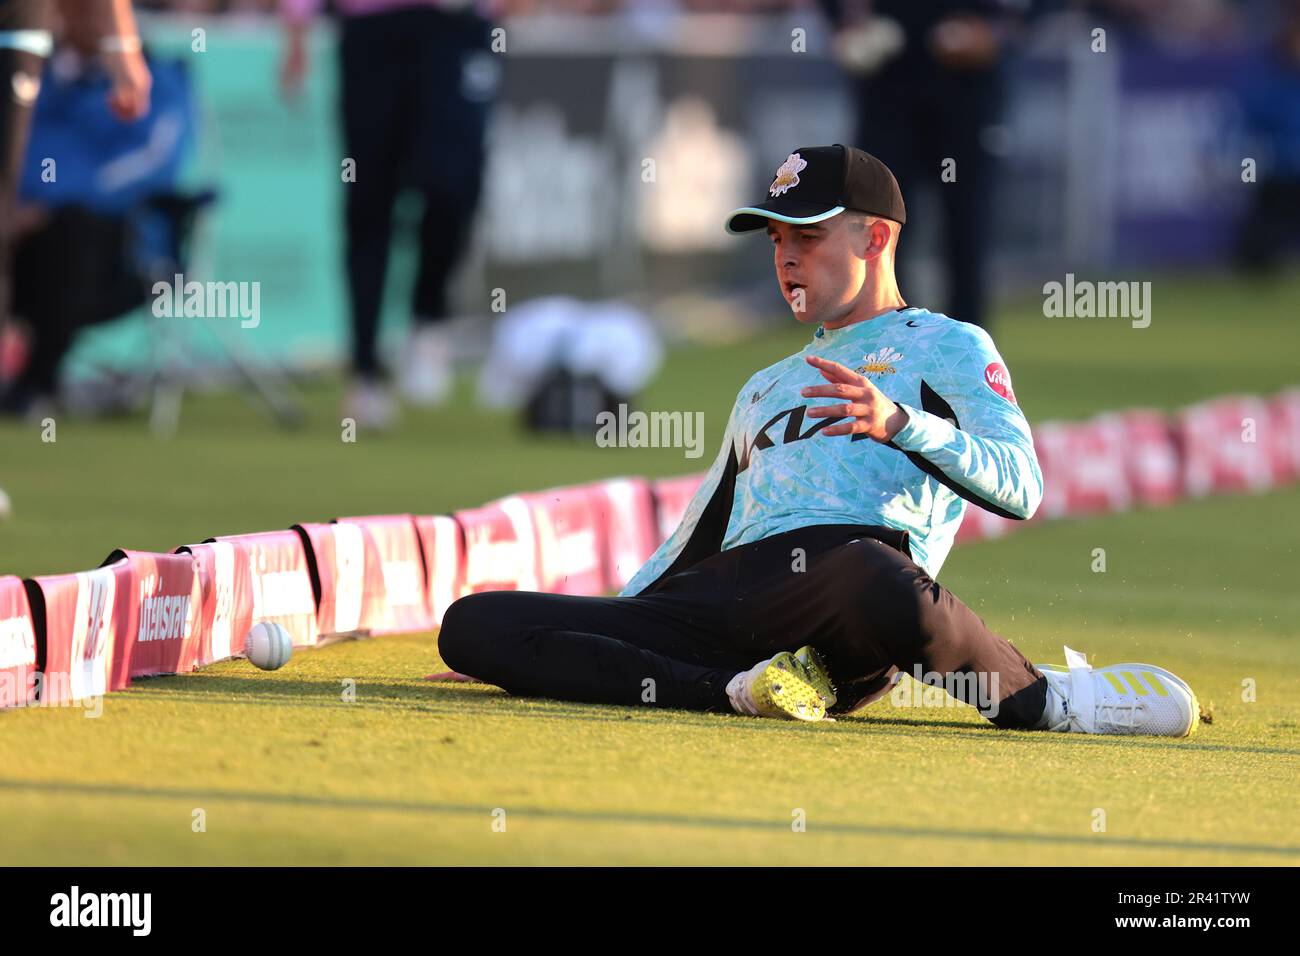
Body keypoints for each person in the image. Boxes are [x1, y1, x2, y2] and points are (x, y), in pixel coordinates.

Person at [436, 144, 1201, 737]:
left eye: (804, 234)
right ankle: (740, 694)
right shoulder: (763, 384)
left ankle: (1045, 700)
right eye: (775, 239)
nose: (785, 256)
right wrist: (572, 630)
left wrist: (902, 424)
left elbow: (1022, 486)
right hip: (723, 608)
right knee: (472, 624)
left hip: (849, 599)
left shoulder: (949, 345)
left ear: (875, 237)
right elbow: (692, 539)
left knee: (874, 574)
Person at [279, 0, 498, 430]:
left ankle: (429, 315)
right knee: (369, 201)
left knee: (453, 188)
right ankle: (365, 373)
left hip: (454, 29)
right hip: (371, 31)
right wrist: (297, 27)